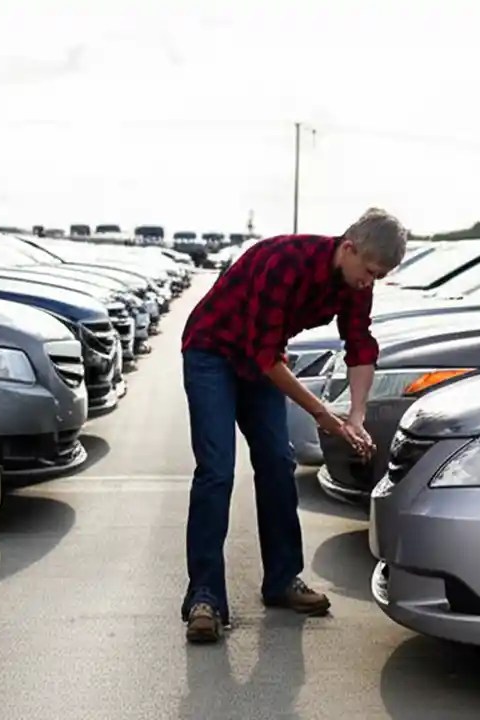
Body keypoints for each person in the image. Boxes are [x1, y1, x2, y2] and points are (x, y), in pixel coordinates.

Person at [179, 208, 409, 644]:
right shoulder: (284, 261)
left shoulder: (357, 282)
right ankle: (204, 597)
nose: (369, 283)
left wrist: (357, 416)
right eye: (368, 271)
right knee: (217, 471)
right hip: (212, 351)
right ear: (348, 248)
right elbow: (266, 354)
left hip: (260, 363)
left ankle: (282, 581)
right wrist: (324, 413)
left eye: (378, 277)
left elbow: (359, 344)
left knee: (277, 463)